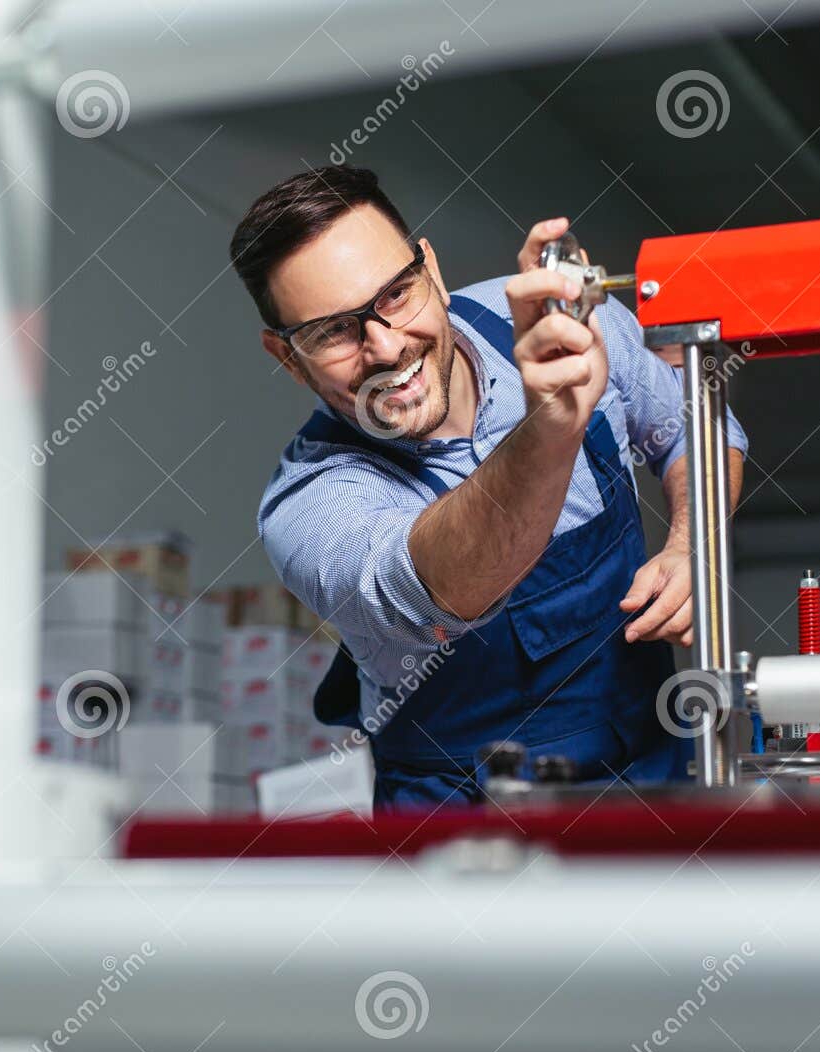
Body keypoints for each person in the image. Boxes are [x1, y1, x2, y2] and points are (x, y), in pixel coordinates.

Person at [228, 165, 748, 809]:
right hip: (461, 835)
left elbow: (693, 425)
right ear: (287, 357)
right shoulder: (308, 505)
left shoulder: (555, 322)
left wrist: (693, 543)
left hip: (653, 774)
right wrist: (550, 425)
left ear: (433, 273)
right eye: (333, 331)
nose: (386, 348)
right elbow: (445, 584)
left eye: (396, 294)